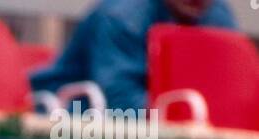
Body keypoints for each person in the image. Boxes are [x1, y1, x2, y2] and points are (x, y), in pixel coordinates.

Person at [31, 0, 238, 112]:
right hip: (65, 118)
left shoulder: (217, 16)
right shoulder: (121, 16)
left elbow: (231, 92)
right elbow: (121, 102)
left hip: (156, 128)